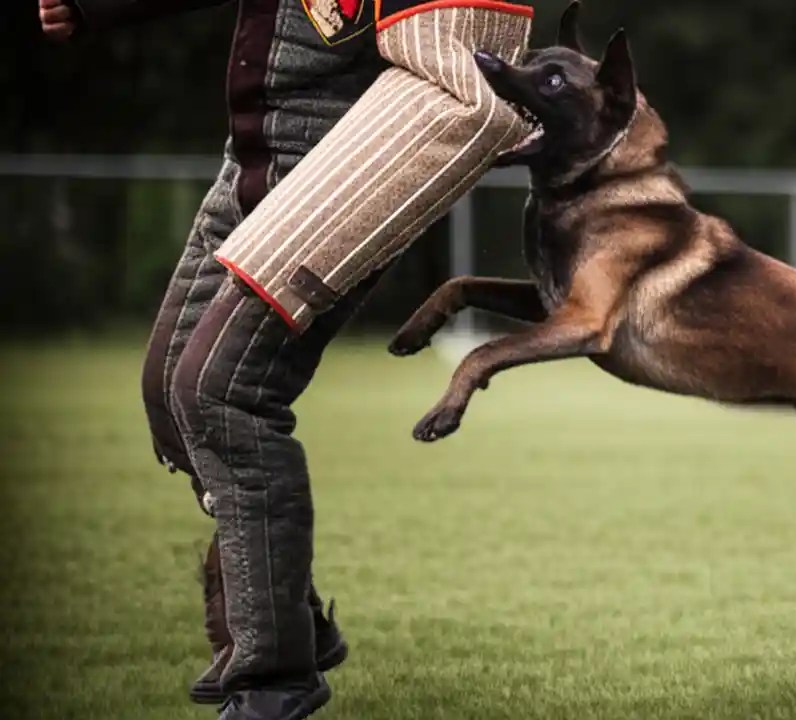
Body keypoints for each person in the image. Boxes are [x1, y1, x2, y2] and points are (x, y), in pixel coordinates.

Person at [37, 0, 534, 717]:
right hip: (253, 161)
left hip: (342, 170)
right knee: (170, 393)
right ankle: (287, 612)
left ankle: (274, 678)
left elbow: (465, 61)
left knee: (221, 393)